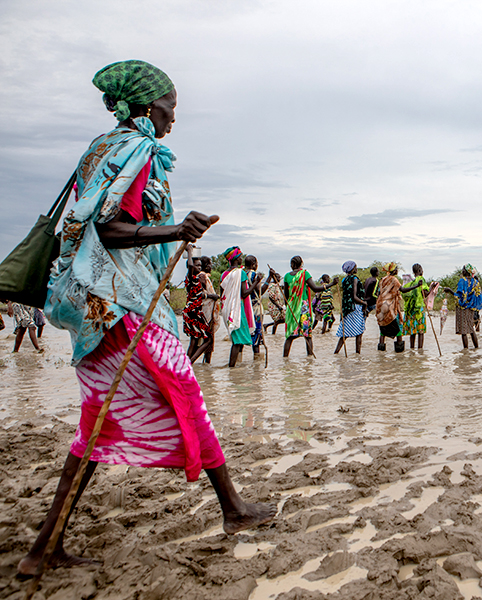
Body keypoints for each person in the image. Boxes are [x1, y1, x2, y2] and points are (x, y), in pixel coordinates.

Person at [23, 61, 274, 577]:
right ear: (145, 107)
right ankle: (233, 509)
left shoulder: (101, 147)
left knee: (99, 419)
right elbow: (109, 228)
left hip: (98, 306)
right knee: (183, 392)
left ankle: (42, 548)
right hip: (124, 306)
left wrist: (171, 229)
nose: (173, 117)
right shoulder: (135, 151)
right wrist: (174, 230)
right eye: (170, 107)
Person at [283, 256, 328, 357]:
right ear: (301, 264)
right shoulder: (304, 274)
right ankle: (310, 360)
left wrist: (289, 308)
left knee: (290, 336)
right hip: (303, 308)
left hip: (291, 308)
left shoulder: (286, 276)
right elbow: (315, 288)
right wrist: (330, 285)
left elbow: (286, 296)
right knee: (307, 335)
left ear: (291, 264)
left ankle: (285, 360)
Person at [221, 247, 254, 367]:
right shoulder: (241, 273)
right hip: (236, 308)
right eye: (240, 257)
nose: (241, 259)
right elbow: (244, 293)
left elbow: (222, 294)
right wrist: (256, 283)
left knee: (236, 337)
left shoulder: (224, 274)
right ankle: (232, 368)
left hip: (227, 308)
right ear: (236, 258)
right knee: (237, 341)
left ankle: (235, 367)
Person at [182, 246, 216, 363]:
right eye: (197, 265)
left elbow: (199, 295)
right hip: (193, 312)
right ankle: (190, 362)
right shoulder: (191, 278)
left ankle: (187, 364)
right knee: (208, 339)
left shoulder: (196, 278)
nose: (199, 267)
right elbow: (190, 266)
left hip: (193, 311)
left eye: (200, 266)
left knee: (194, 340)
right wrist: (190, 252)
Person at [244, 255, 274, 356]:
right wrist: (269, 277)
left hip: (245, 307)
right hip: (255, 308)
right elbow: (260, 291)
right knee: (256, 335)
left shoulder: (243, 273)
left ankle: (238, 360)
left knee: (245, 334)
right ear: (254, 264)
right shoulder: (253, 275)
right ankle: (256, 360)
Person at [334, 261, 366, 354]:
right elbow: (355, 296)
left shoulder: (344, 280)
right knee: (359, 331)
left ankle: (336, 352)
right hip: (355, 307)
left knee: (345, 332)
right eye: (355, 267)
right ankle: (358, 353)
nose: (356, 268)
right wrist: (364, 303)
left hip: (346, 308)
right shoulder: (355, 279)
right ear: (352, 269)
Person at [376, 263, 407, 351]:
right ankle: (399, 351)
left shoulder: (382, 280)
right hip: (390, 307)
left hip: (381, 305)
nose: (397, 270)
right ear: (393, 270)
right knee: (397, 326)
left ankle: (381, 351)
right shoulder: (394, 280)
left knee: (382, 327)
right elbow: (403, 290)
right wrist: (416, 286)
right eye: (396, 269)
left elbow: (379, 293)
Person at [453, 264, 481, 348]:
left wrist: (450, 291)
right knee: (471, 329)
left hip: (462, 308)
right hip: (471, 307)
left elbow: (459, 295)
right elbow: (478, 295)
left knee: (463, 331)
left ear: (466, 271)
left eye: (463, 269)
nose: (462, 271)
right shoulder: (475, 282)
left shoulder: (462, 281)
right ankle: (476, 348)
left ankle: (465, 351)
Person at [198, 256, 220, 363]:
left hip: (206, 312)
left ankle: (205, 366)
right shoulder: (202, 276)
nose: (211, 266)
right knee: (208, 340)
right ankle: (205, 362)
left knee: (204, 340)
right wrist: (212, 296)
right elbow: (199, 294)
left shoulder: (205, 277)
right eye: (210, 263)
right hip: (205, 313)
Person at [401, 264, 428, 348]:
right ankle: (420, 350)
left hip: (410, 308)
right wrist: (431, 288)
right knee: (420, 331)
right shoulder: (421, 279)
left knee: (413, 330)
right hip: (419, 308)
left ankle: (412, 349)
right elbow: (425, 293)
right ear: (420, 271)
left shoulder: (409, 281)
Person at [265, 271, 286, 336]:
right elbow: (271, 297)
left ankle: (267, 325)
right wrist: (278, 306)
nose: (279, 279)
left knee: (282, 319)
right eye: (278, 278)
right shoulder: (272, 285)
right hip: (274, 305)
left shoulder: (276, 285)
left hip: (278, 304)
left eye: (279, 278)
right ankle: (273, 335)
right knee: (278, 320)